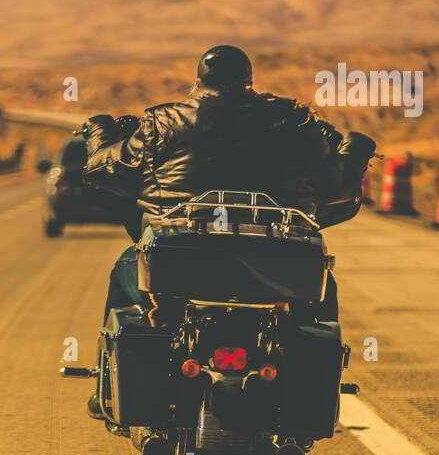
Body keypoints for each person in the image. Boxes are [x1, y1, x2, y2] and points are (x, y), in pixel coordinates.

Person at [79, 45, 375, 416]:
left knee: (125, 269)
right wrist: (356, 150)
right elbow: (338, 187)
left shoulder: (162, 123)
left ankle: (106, 387)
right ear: (248, 82)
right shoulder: (294, 122)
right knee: (322, 289)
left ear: (198, 82)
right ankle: (305, 400)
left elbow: (104, 168)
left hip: (180, 265)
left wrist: (97, 130)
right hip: (276, 270)